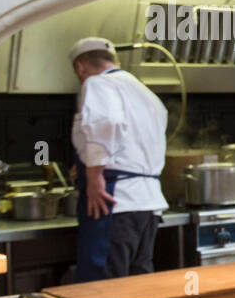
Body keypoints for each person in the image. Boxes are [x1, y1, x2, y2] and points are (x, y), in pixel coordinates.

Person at [69, 37, 168, 281]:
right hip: (148, 204)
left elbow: (106, 122)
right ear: (115, 60)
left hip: (115, 200)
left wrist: (94, 176)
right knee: (138, 285)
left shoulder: (98, 84)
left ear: (81, 67)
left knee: (104, 286)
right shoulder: (146, 94)